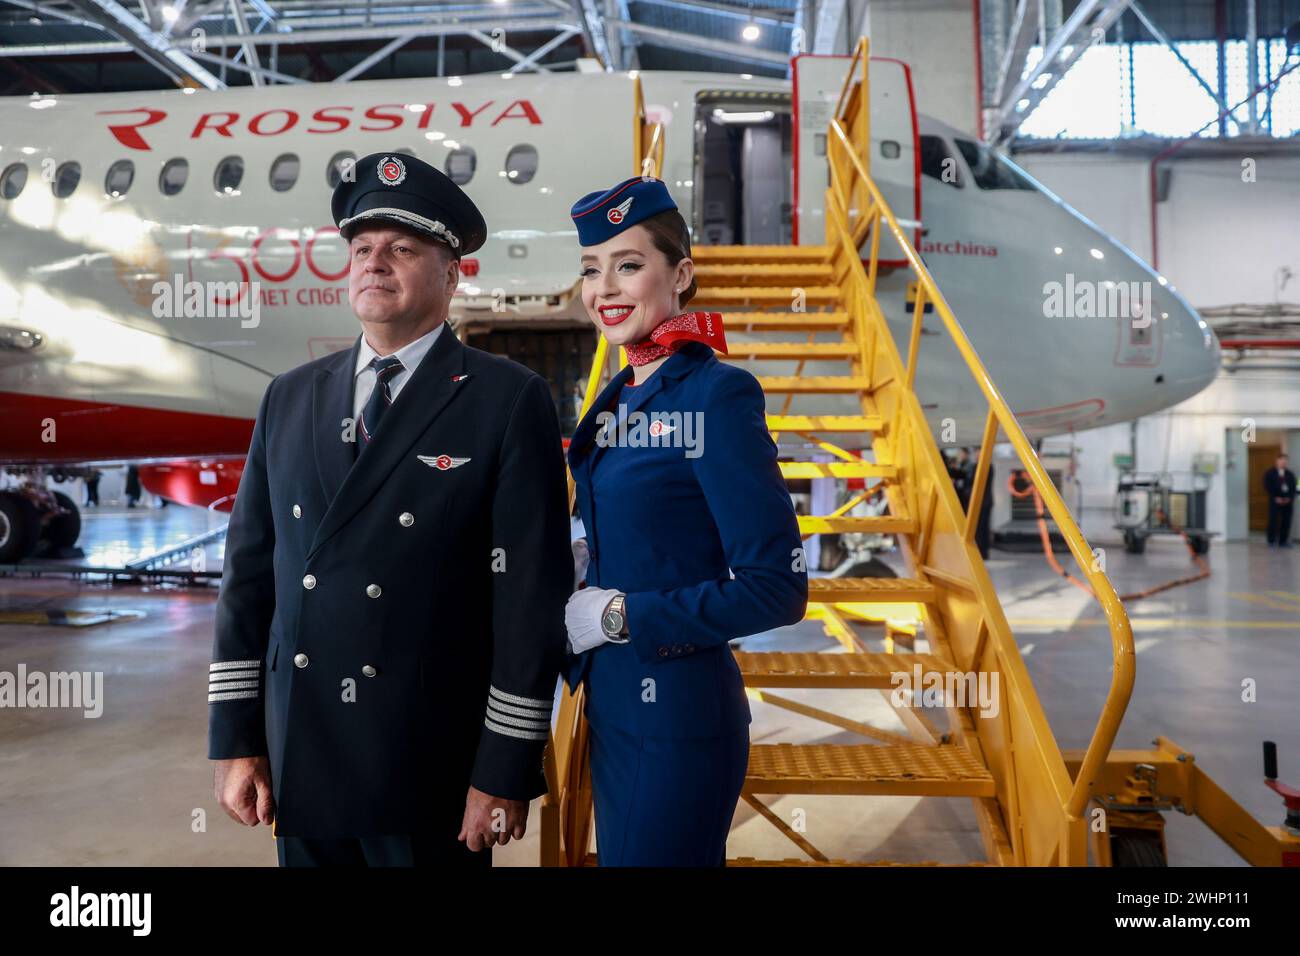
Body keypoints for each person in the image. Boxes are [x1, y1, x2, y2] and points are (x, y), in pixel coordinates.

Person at [208, 152, 571, 867]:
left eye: (403, 249)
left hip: (430, 765)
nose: (375, 262)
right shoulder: (290, 395)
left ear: (453, 272)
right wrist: (237, 738)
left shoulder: (505, 399)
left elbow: (529, 599)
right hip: (302, 756)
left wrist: (503, 770)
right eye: (363, 249)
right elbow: (248, 579)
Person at [563, 176, 808, 866]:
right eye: (592, 268)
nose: (605, 287)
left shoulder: (716, 395)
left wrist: (620, 615)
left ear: (681, 275)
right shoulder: (620, 394)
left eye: (629, 264)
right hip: (613, 703)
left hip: (673, 718)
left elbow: (775, 587)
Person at [1263, 453, 1295, 547]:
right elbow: (1267, 486)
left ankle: (1283, 541)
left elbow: (1294, 487)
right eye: (1281, 461)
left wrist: (1289, 497)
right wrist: (1275, 497)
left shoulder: (1290, 474)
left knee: (1286, 521)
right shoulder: (1270, 473)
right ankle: (1271, 540)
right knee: (1273, 521)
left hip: (1287, 502)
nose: (1283, 463)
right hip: (1275, 501)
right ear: (1277, 461)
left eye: (1285, 461)